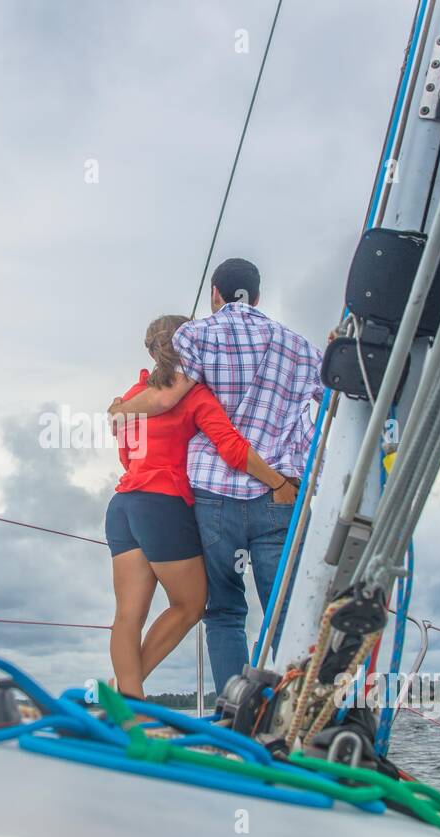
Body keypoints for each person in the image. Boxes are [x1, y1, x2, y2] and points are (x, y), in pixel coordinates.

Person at [108, 259, 324, 696]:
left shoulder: (167, 364)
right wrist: (286, 481)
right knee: (280, 610)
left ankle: (221, 708)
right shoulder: (300, 347)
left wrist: (118, 408)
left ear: (215, 294)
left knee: (214, 612)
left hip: (181, 499)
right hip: (269, 497)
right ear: (257, 296)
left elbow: (145, 427)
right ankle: (290, 712)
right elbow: (335, 403)